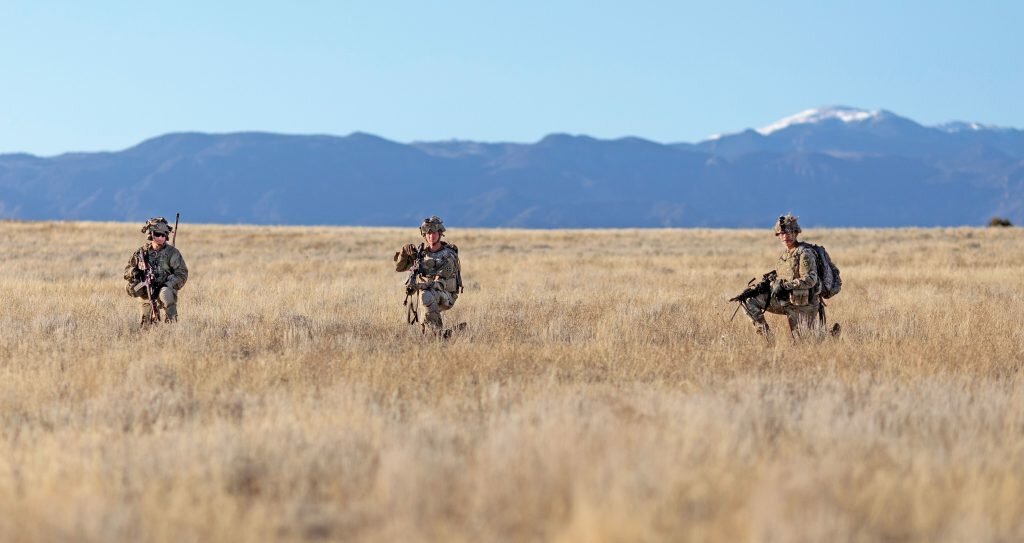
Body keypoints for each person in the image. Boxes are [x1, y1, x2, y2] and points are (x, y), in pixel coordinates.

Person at [742, 214, 823, 340]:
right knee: (748, 300)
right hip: (785, 301)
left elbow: (810, 279)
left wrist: (785, 286)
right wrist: (766, 285)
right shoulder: (785, 256)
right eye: (782, 233)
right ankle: (769, 339)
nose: (786, 236)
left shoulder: (804, 253)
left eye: (789, 232)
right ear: (778, 236)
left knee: (804, 343)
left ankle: (830, 336)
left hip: (803, 305)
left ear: (796, 233)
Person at [394, 216, 463, 335]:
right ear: (424, 235)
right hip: (426, 292)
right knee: (425, 295)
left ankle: (437, 333)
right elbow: (399, 268)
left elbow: (440, 284)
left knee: (426, 295)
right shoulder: (421, 255)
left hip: (446, 294)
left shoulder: (448, 256)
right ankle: (436, 333)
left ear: (440, 233)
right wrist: (404, 253)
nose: (431, 236)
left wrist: (420, 286)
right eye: (428, 233)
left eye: (434, 233)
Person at [124, 217, 188, 326]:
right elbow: (127, 272)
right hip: (147, 290)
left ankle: (172, 325)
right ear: (151, 235)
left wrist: (169, 283)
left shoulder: (172, 253)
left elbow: (182, 273)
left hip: (165, 286)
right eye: (158, 234)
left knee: (165, 295)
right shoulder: (141, 252)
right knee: (146, 323)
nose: (161, 237)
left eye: (164, 235)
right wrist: (135, 271)